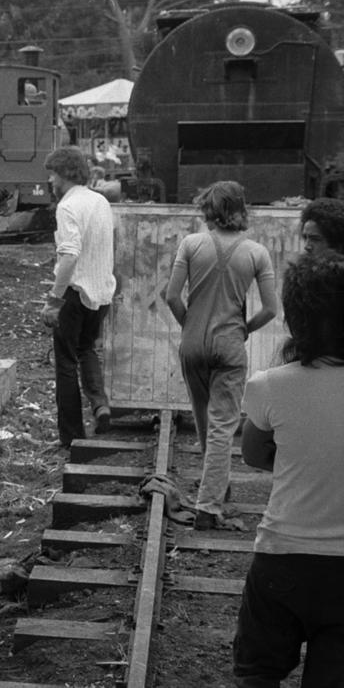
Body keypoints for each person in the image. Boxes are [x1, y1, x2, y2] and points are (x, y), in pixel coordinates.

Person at [234, 251, 344, 687]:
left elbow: (253, 455)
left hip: (281, 561)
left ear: (294, 320)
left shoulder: (269, 386)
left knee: (257, 675)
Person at [164, 181, 277, 530]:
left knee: (203, 420)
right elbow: (271, 309)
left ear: (208, 210)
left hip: (192, 344)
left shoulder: (191, 244)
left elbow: (171, 296)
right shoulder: (256, 252)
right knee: (223, 427)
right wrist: (244, 329)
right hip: (229, 345)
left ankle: (216, 485)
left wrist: (189, 325)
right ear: (241, 209)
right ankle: (210, 506)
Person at [39, 146, 116, 447]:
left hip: (74, 294)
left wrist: (54, 300)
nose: (50, 181)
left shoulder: (68, 207)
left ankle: (71, 437)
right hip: (101, 293)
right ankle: (100, 405)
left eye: (53, 174)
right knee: (86, 349)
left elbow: (69, 256)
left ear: (65, 174)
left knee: (66, 364)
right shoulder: (101, 201)